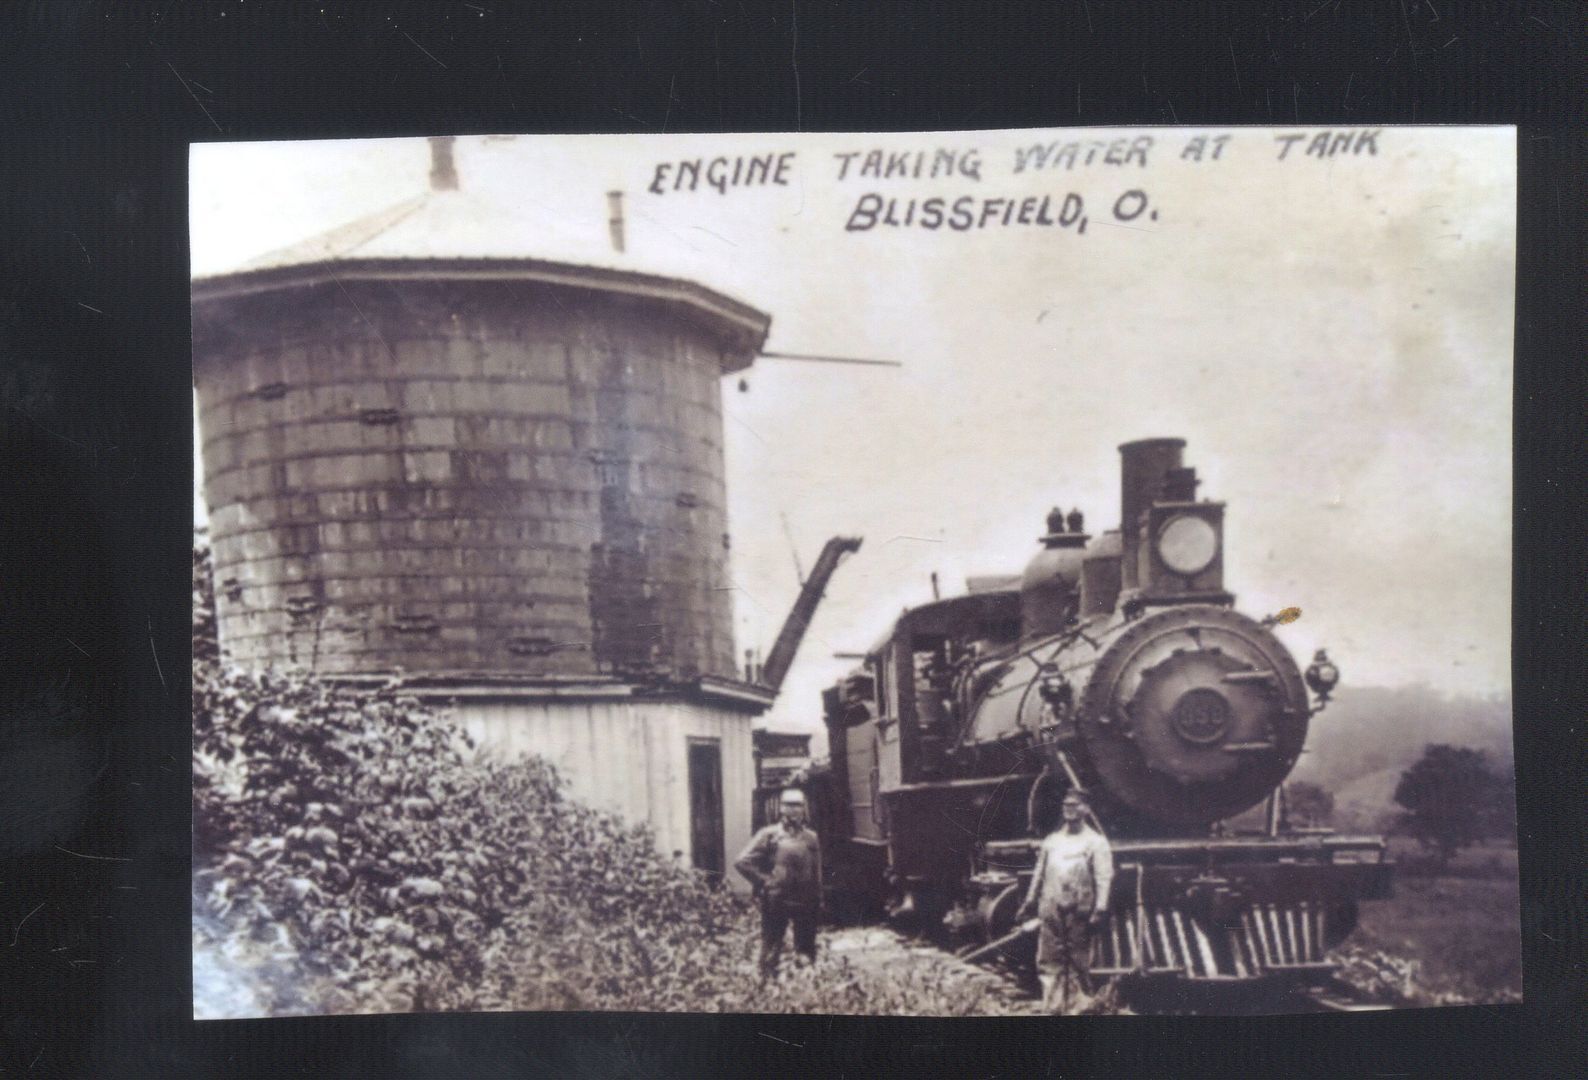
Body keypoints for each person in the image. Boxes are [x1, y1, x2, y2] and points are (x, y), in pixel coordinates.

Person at [1017, 789, 1115, 1013]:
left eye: (1075, 805)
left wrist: (1100, 908)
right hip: (1050, 908)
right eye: (1066, 805)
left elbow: (1103, 877)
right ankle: (1052, 1008)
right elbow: (1038, 874)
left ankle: (1078, 1009)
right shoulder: (1052, 841)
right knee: (1049, 962)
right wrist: (1030, 901)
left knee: (1078, 962)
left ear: (1087, 809)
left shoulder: (1096, 843)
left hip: (1079, 910)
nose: (1069, 809)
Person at [734, 787, 823, 980]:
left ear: (804, 808)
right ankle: (766, 987)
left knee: (806, 949)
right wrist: (766, 881)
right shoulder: (769, 835)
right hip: (777, 900)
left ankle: (806, 991)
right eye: (789, 805)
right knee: (771, 946)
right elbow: (742, 861)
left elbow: (817, 870)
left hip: (805, 900)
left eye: (798, 805)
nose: (793, 810)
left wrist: (819, 897)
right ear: (781, 808)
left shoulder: (811, 837)